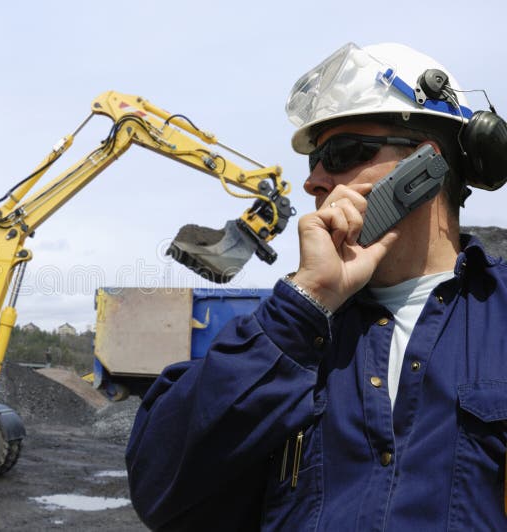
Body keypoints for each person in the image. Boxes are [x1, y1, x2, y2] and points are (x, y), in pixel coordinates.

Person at [126, 42, 507, 530]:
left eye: (343, 152)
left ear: (424, 167)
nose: (315, 181)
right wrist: (305, 305)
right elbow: (159, 489)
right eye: (314, 162)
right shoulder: (287, 337)